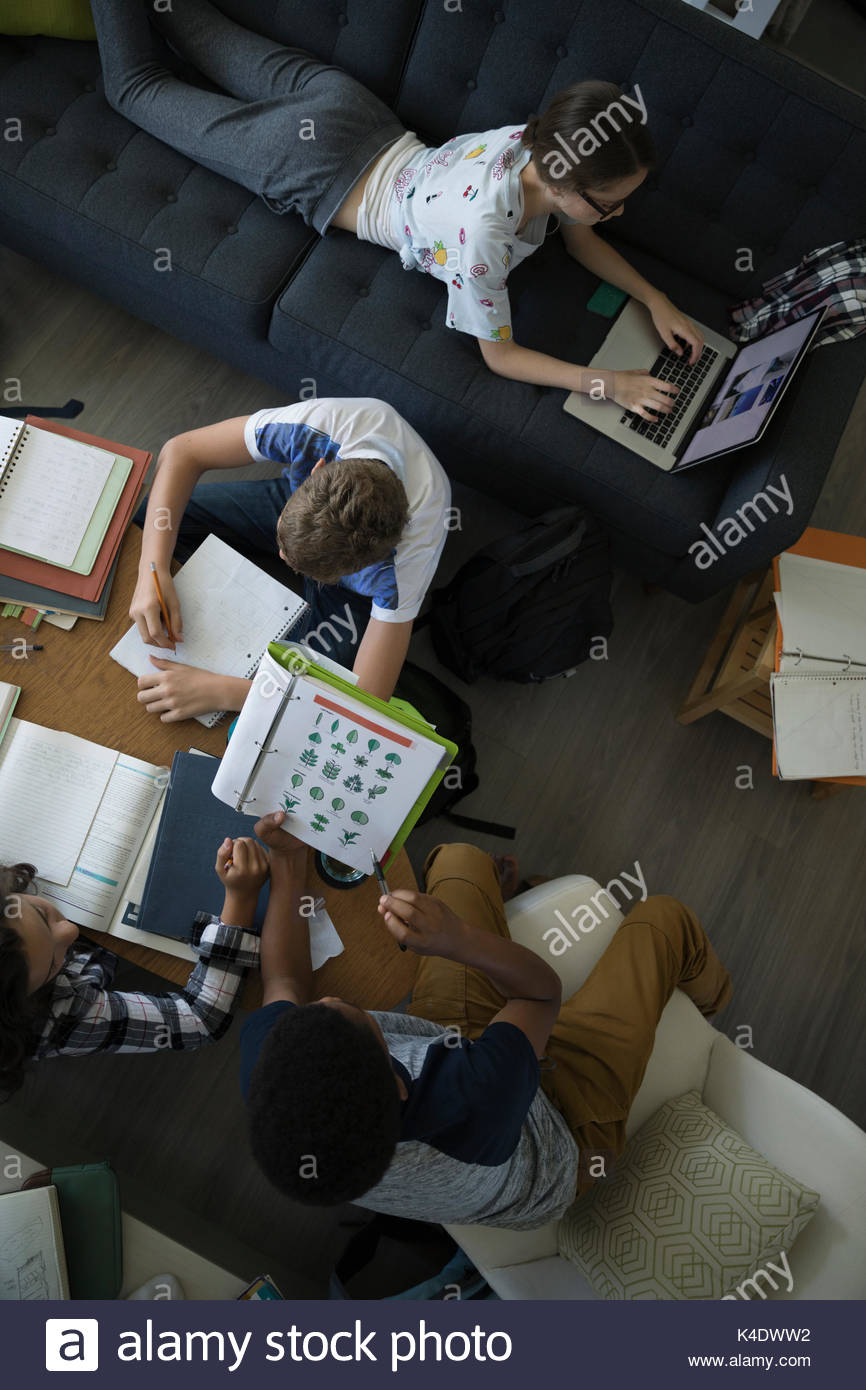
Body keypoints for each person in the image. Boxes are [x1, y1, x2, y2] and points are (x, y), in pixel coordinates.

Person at [91, 0, 700, 422]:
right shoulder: (484, 235)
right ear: (567, 188)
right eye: (611, 205)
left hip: (350, 110)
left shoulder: (539, 141)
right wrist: (608, 384)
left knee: (189, 21)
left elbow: (578, 236)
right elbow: (501, 355)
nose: (616, 216)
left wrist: (655, 298)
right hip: (312, 167)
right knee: (134, 87)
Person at [240, 838, 732, 1227]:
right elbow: (540, 995)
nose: (325, 1001)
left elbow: (283, 981)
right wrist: (460, 940)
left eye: (313, 1013)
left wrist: (287, 861)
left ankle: (496, 898)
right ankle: (709, 1000)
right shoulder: (472, 1101)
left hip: (453, 1042)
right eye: (350, 1012)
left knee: (456, 859)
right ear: (394, 1080)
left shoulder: (275, 1075)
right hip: (559, 1126)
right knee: (666, 921)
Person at [130, 397, 451, 719]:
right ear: (317, 468)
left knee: (296, 686)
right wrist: (152, 571)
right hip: (303, 514)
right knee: (146, 519)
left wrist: (226, 692)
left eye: (294, 562)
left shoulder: (404, 568)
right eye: (282, 545)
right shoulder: (323, 425)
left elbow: (367, 698)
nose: (281, 555)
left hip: (350, 591)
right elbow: (182, 450)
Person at [0, 821, 292, 1098]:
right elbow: (200, 1020)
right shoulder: (49, 1023)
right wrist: (241, 900)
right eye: (53, 964)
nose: (71, 930)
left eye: (40, 915)